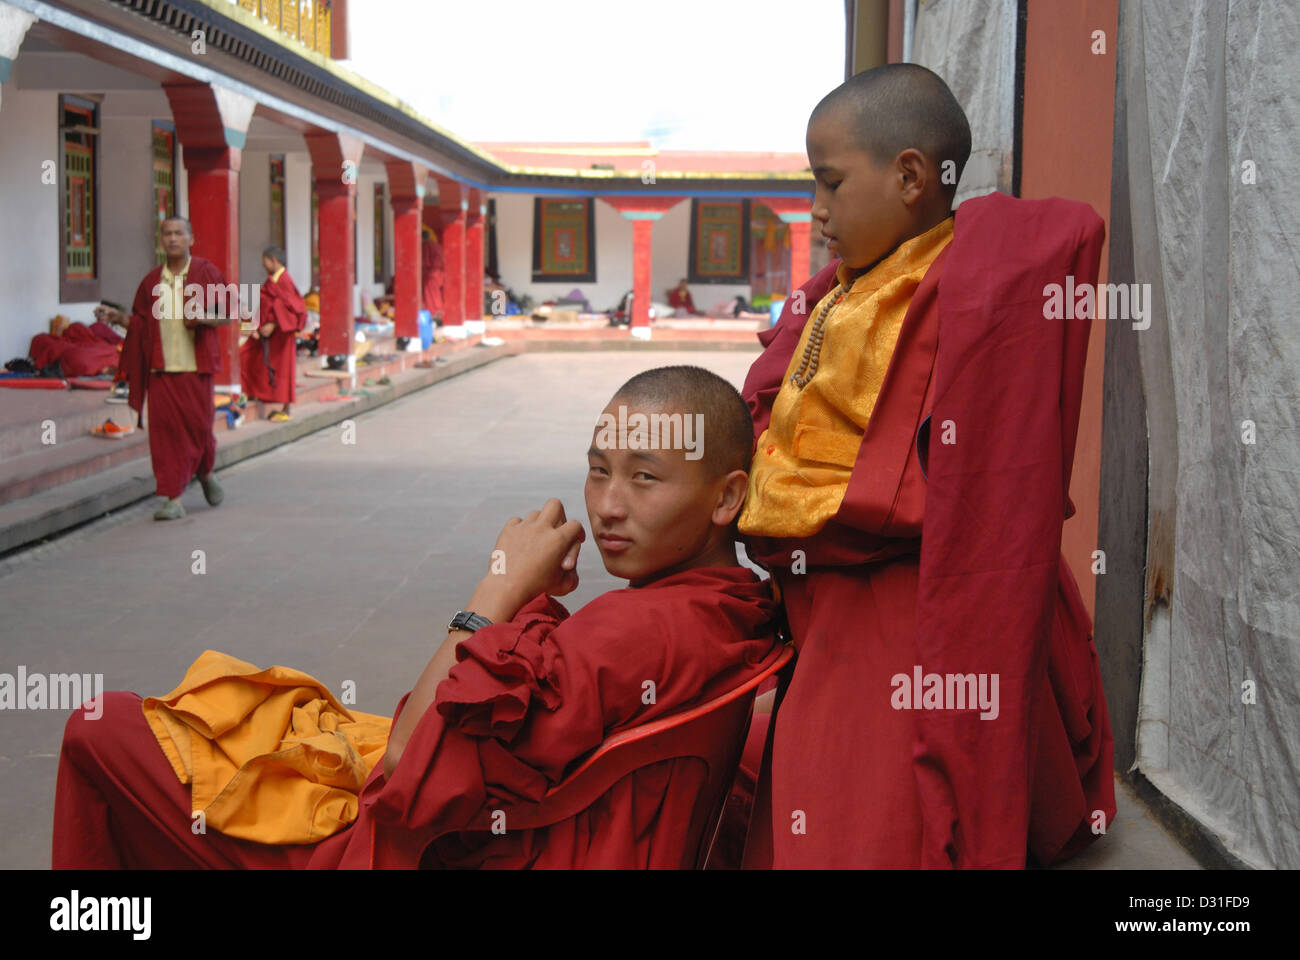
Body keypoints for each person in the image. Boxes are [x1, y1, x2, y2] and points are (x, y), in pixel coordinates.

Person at [52, 365, 784, 869]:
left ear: (726, 498)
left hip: (426, 853)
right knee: (257, 716)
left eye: (645, 478)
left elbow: (405, 771)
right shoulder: (736, 607)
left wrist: (496, 590)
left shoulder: (628, 633)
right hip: (550, 832)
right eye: (599, 469)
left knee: (103, 727)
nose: (608, 505)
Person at [736, 64, 1115, 869]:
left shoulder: (972, 289)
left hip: (896, 575)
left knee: (861, 810)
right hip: (817, 562)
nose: (818, 210)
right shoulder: (840, 288)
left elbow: (972, 475)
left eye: (830, 184)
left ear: (910, 175)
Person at [118, 217, 232, 521]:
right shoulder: (151, 281)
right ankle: (173, 497)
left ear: (191, 238)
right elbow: (140, 324)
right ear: (160, 240)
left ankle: (205, 473)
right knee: (164, 435)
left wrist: (204, 317)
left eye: (179, 233)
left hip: (195, 367)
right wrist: (118, 319)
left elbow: (229, 314)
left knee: (199, 429)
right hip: (161, 370)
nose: (172, 239)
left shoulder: (205, 273)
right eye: (167, 234)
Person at [239, 245, 306, 422]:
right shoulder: (274, 280)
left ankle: (286, 407)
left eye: (265, 261)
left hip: (280, 334)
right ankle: (252, 392)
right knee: (247, 355)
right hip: (266, 331)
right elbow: (267, 303)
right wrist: (254, 325)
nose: (264, 265)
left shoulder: (284, 280)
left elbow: (293, 307)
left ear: (273, 261)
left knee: (283, 370)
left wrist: (274, 324)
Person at [421, 225, 445, 319]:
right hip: (439, 274)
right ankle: (439, 313)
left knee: (431, 298)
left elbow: (424, 263)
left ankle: (434, 315)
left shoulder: (426, 246)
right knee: (437, 296)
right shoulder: (437, 246)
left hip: (430, 276)